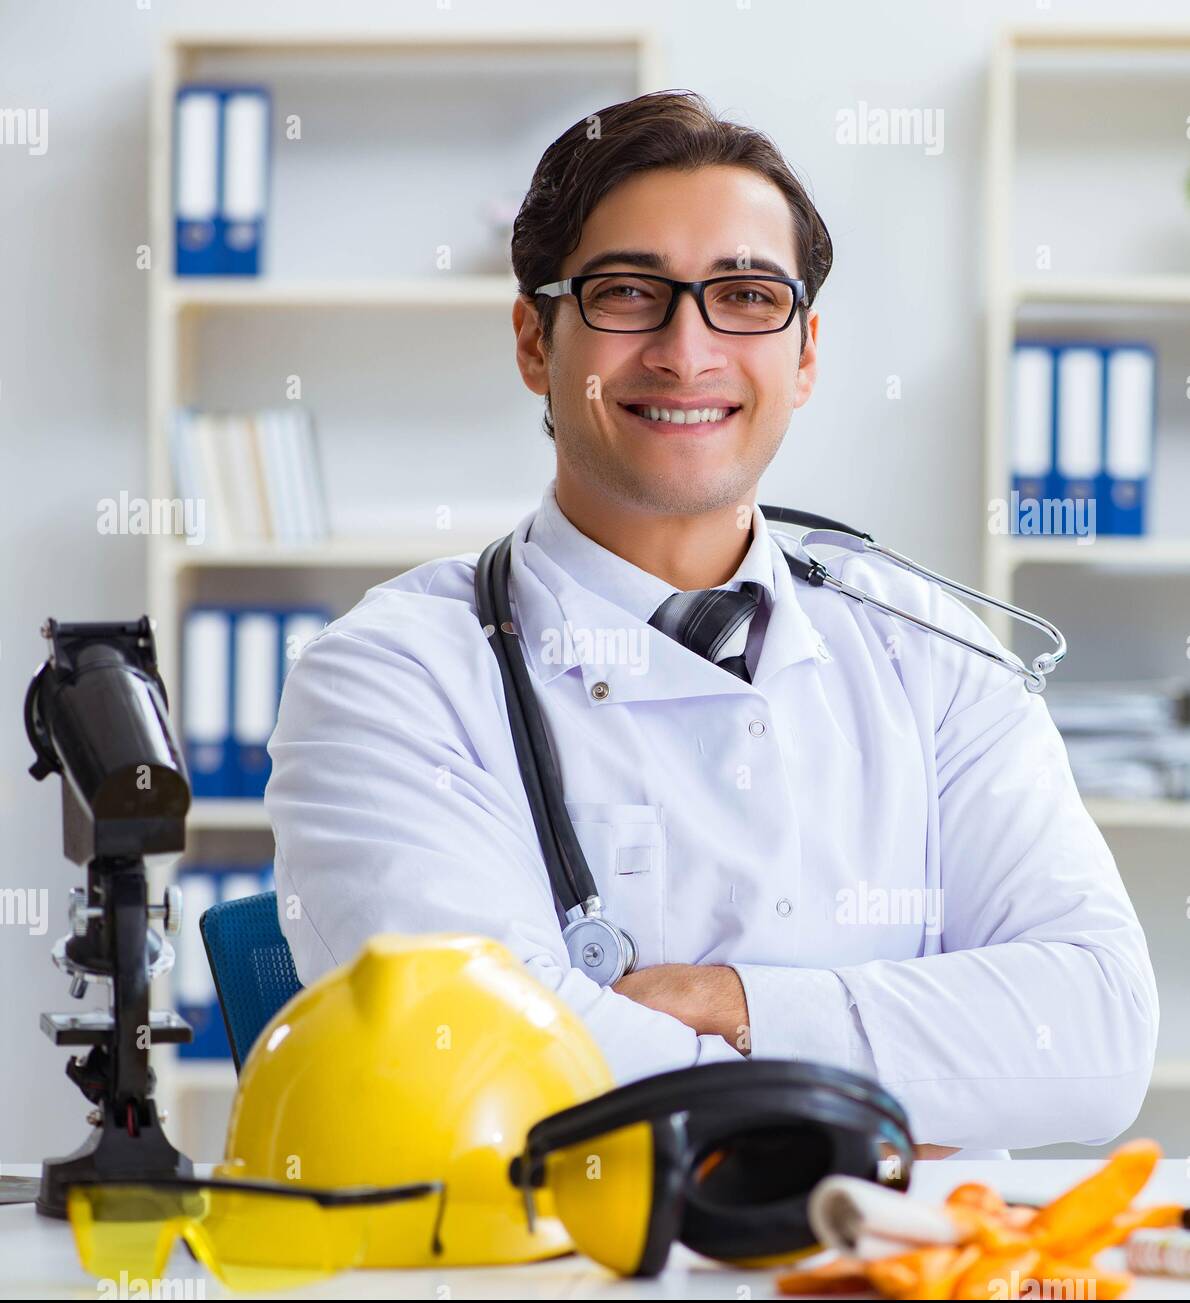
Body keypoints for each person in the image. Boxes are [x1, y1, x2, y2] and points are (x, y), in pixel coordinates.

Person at [265, 91, 1157, 1159]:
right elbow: (470, 1065)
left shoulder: (928, 647)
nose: (685, 353)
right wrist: (906, 1080)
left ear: (805, 353)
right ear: (531, 341)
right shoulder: (390, 675)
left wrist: (733, 1003)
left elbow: (1094, 1034)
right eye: (628, 293)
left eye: (742, 295)